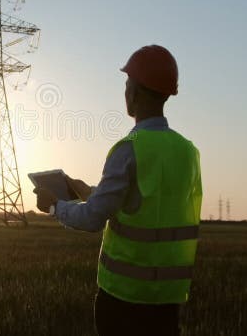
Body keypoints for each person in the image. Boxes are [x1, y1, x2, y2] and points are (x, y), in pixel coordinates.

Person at [35, 45, 203, 336]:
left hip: (124, 299)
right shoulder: (188, 151)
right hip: (166, 300)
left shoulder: (129, 148)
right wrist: (89, 191)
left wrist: (54, 207)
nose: (125, 91)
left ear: (134, 93)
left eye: (127, 84)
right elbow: (145, 202)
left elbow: (92, 219)